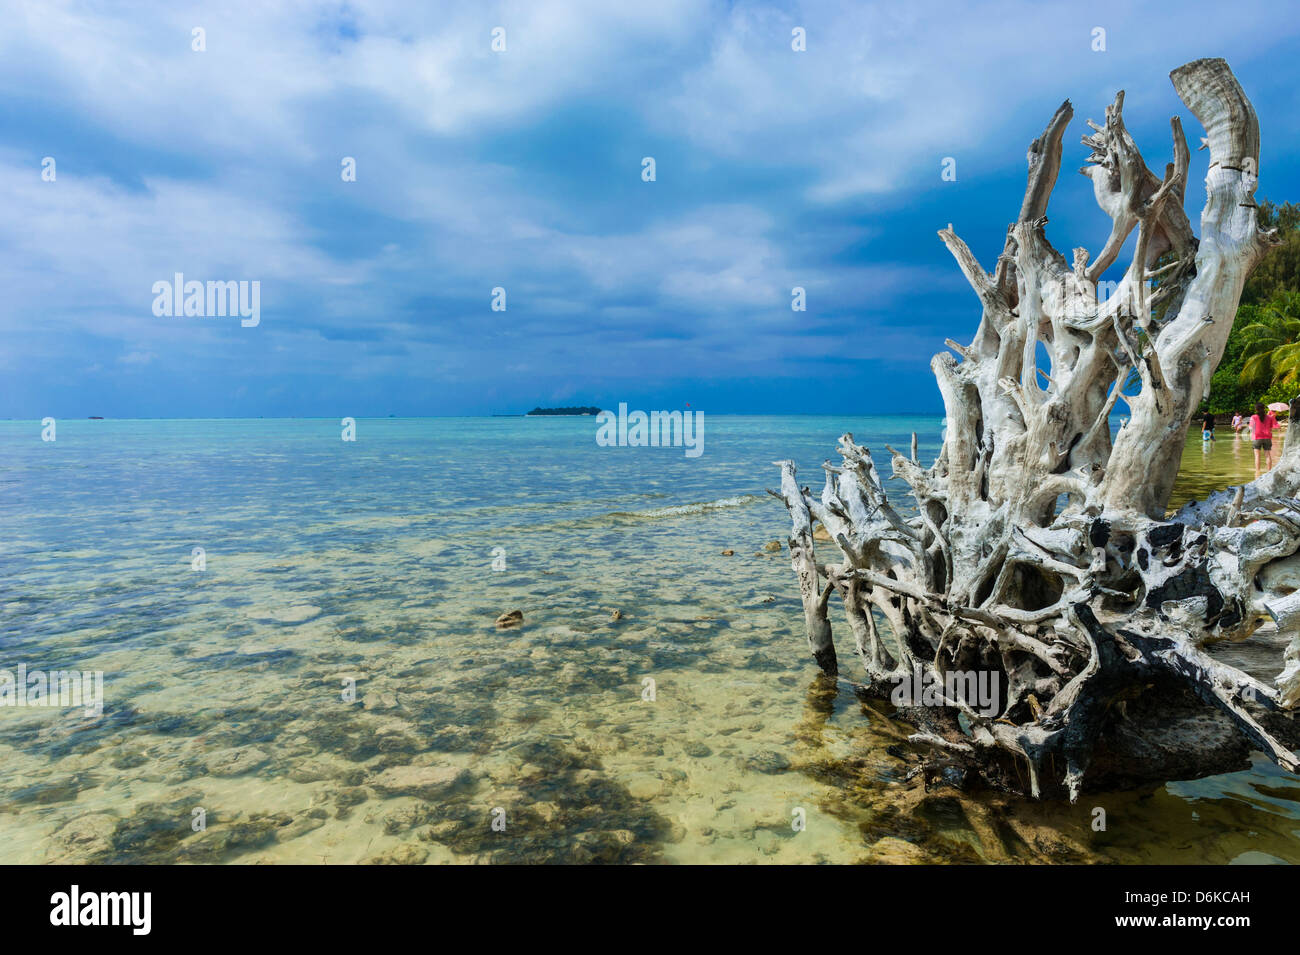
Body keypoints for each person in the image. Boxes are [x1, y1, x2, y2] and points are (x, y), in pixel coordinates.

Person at [1251, 402, 1279, 478]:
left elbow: (1251, 428)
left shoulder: (1253, 417)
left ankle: (1257, 473)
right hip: (1267, 437)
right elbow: (1271, 427)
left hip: (1257, 437)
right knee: (1267, 455)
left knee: (1257, 456)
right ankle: (1269, 472)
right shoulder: (1269, 417)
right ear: (1264, 409)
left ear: (1256, 409)